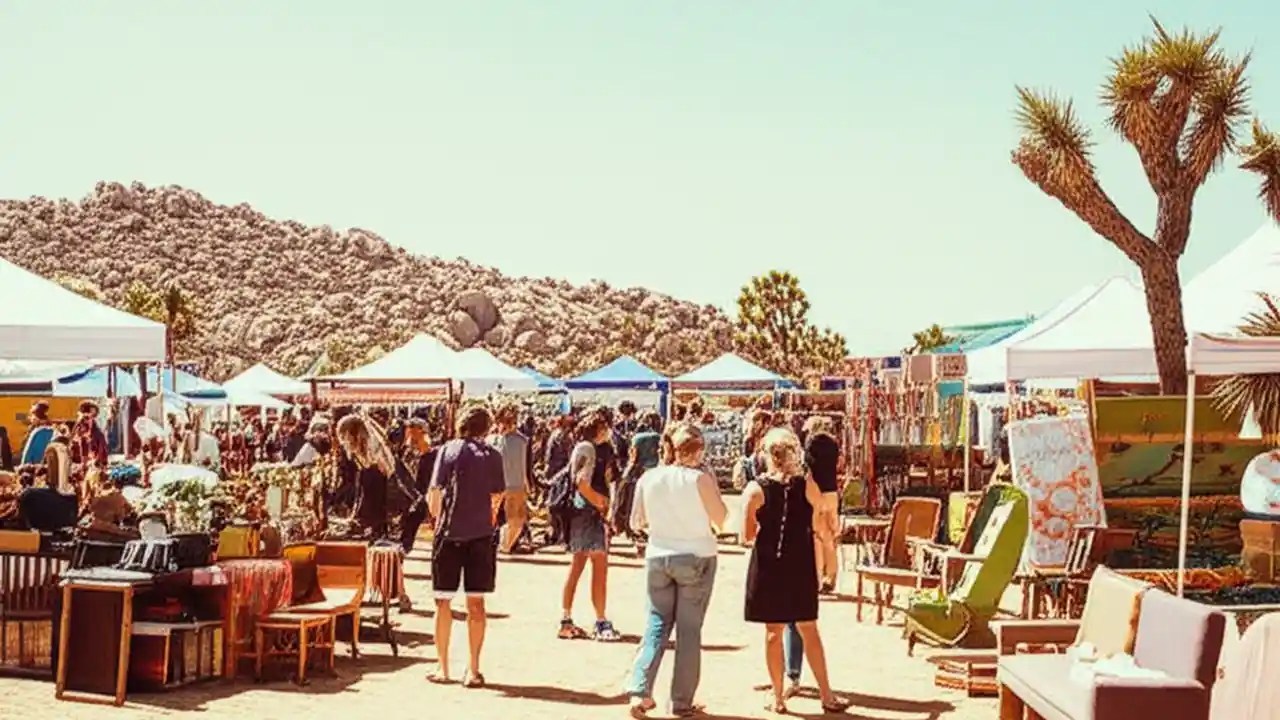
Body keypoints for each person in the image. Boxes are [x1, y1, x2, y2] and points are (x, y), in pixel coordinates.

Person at [742, 428, 847, 714]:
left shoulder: (756, 489)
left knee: (773, 632)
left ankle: (777, 697)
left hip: (769, 564)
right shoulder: (807, 485)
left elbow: (746, 536)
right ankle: (827, 694)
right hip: (800, 563)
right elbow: (818, 517)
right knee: (809, 629)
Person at [626, 422, 726, 718]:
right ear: (699, 450)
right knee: (689, 631)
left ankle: (639, 689)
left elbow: (636, 522)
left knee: (656, 624)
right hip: (696, 555)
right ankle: (681, 701)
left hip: (658, 555)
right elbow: (720, 518)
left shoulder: (649, 477)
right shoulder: (699, 479)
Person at [427, 405, 505, 687]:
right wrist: (487, 521)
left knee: (443, 601)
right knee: (476, 603)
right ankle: (473, 669)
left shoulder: (448, 450)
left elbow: (435, 492)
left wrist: (437, 522)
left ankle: (442, 667)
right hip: (481, 536)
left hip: (448, 534)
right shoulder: (493, 455)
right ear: (487, 427)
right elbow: (497, 496)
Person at [559, 408, 622, 642]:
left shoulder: (588, 448)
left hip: (584, 513)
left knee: (582, 564)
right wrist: (602, 505)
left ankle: (569, 618)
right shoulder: (587, 448)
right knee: (595, 564)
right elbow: (582, 483)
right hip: (588, 513)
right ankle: (598, 620)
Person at [803, 416, 842, 594]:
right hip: (832, 492)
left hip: (816, 491)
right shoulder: (834, 444)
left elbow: (808, 467)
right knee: (830, 537)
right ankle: (831, 576)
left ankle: (817, 577)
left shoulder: (812, 442)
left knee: (817, 536)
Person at [488, 403, 533, 554]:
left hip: (515, 485)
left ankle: (505, 544)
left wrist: (527, 483)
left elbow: (524, 463)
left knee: (517, 520)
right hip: (498, 486)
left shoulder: (522, 441)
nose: (509, 425)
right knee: (493, 519)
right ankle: (501, 543)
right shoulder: (492, 440)